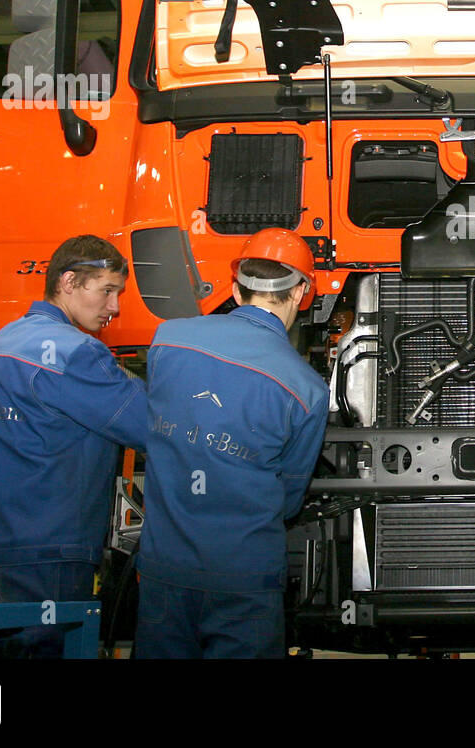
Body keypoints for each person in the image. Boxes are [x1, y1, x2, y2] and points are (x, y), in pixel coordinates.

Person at [135, 228, 328, 658]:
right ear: (300, 292)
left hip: (165, 567)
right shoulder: (307, 390)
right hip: (245, 578)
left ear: (238, 289)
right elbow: (290, 496)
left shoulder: (167, 339)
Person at [0, 235, 147, 656]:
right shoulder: (76, 353)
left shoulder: (3, 342)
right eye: (106, 290)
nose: (114, 307)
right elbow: (150, 426)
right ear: (68, 281)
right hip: (49, 550)